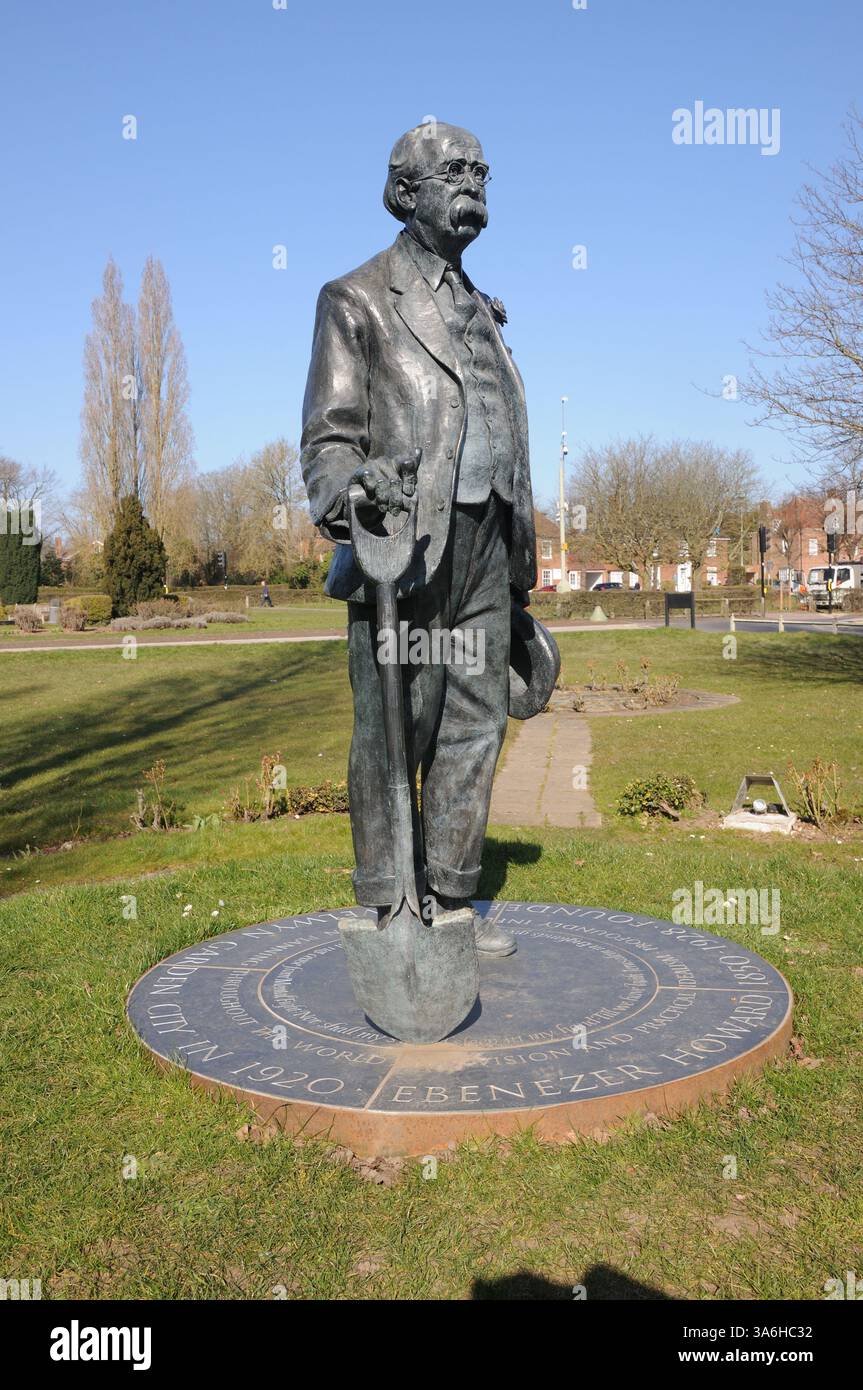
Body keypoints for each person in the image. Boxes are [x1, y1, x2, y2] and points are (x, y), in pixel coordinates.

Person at [301, 123, 537, 957]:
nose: (474, 181)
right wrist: (352, 491)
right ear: (405, 192)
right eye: (454, 171)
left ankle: (447, 895)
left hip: (489, 540)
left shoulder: (481, 305)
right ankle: (384, 901)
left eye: (482, 169)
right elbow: (328, 442)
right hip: (403, 546)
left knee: (475, 722)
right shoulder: (357, 298)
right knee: (396, 718)